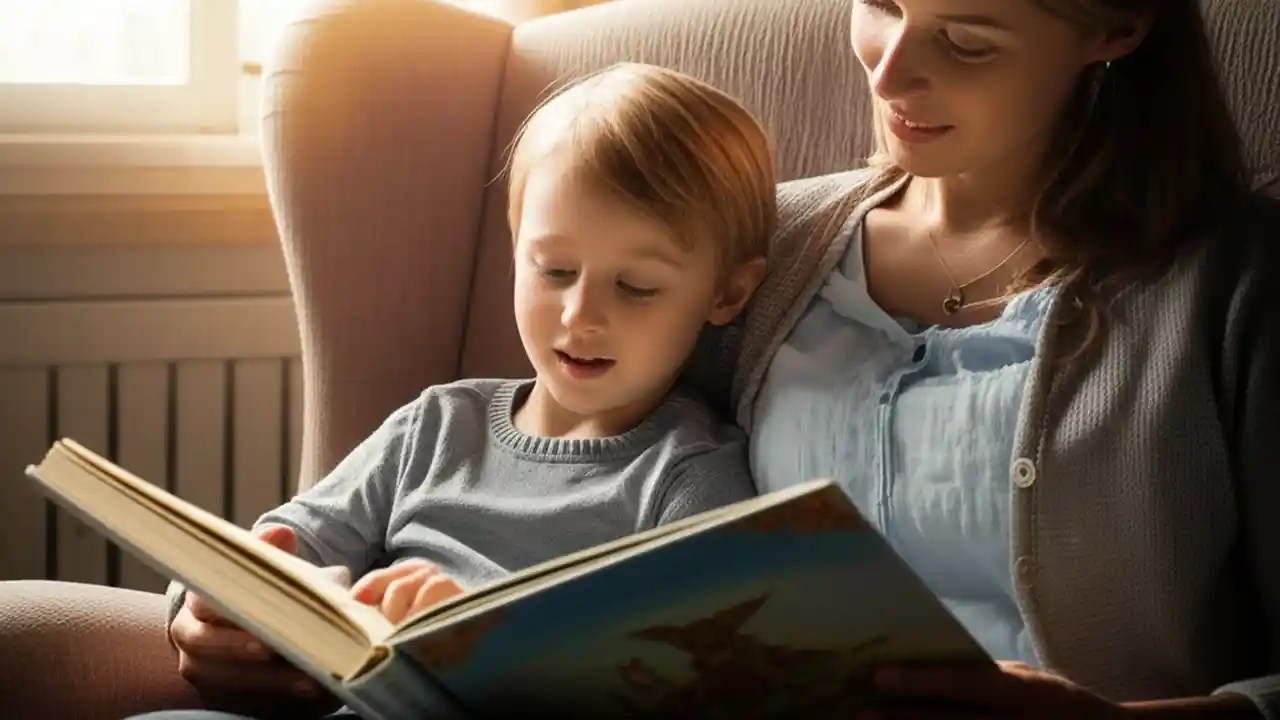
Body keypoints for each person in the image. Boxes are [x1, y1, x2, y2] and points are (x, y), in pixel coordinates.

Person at [691, 0, 1276, 717]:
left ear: (1117, 28)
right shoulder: (752, 249)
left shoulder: (1237, 283)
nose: (888, 74)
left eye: (966, 41)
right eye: (880, 4)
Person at [140, 62, 774, 719]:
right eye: (555, 269)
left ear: (727, 292)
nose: (580, 315)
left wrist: (480, 649)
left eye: (635, 286)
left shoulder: (691, 480)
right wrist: (207, 603)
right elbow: (286, 542)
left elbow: (693, 680)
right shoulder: (437, 426)